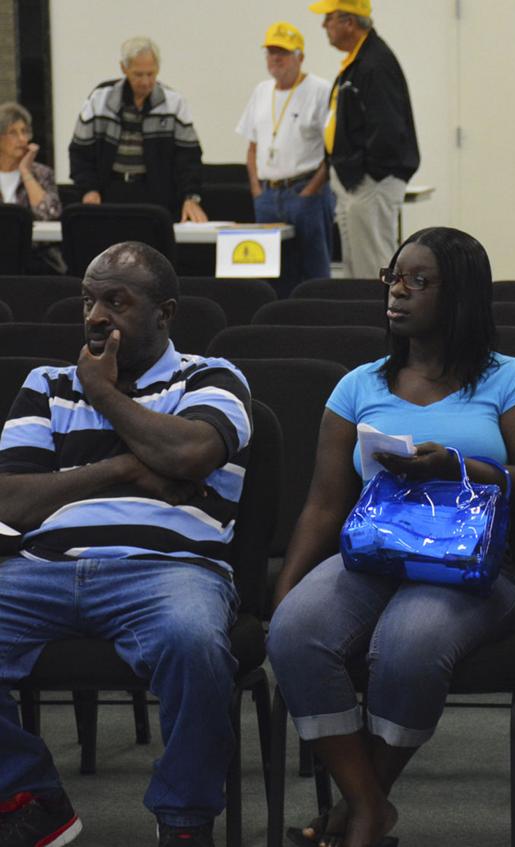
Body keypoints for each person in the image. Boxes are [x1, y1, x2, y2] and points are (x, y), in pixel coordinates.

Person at [268, 226, 515, 847]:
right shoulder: (359, 385)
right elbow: (324, 502)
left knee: (408, 642)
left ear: (461, 296)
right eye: (392, 278)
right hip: (374, 553)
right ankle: (367, 806)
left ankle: (359, 812)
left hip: (475, 562)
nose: (396, 292)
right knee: (295, 630)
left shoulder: (508, 380)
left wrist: (458, 466)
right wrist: (283, 591)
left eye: (416, 282)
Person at [0, 241, 253, 847]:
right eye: (89, 300)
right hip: (44, 568)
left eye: (117, 301)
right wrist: (122, 471)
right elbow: (9, 502)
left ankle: (185, 825)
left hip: (168, 571)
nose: (95, 317)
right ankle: (30, 799)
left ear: (164, 312)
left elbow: (191, 452)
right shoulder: (47, 385)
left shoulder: (211, 377)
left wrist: (104, 394)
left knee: (195, 642)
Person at [309, 0, 419, 279]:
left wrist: (367, 175)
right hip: (354, 183)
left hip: (370, 183)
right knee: (356, 271)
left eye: (329, 18)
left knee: (372, 267)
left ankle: (381, 322)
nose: (324, 25)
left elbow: (388, 129)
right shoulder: (358, 61)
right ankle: (364, 321)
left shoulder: (375, 63)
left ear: (349, 22)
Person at [236, 21, 334, 292]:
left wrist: (312, 190)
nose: (275, 58)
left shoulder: (320, 90)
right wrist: (257, 190)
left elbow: (333, 149)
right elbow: (252, 146)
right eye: (271, 52)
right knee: (272, 273)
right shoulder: (261, 91)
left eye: (283, 52)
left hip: (306, 192)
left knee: (314, 273)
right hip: (268, 196)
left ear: (300, 57)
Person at [68, 37, 207, 223]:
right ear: (123, 69)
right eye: (138, 74)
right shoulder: (99, 100)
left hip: (156, 197)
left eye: (151, 74)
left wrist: (191, 197)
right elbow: (80, 151)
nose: (145, 82)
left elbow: (189, 157)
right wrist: (88, 190)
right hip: (109, 194)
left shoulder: (174, 104)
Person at [0, 101, 65, 273]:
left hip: (35, 256)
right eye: (13, 133)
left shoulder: (42, 174)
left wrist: (25, 172)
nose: (22, 139)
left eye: (25, 132)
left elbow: (49, 216)